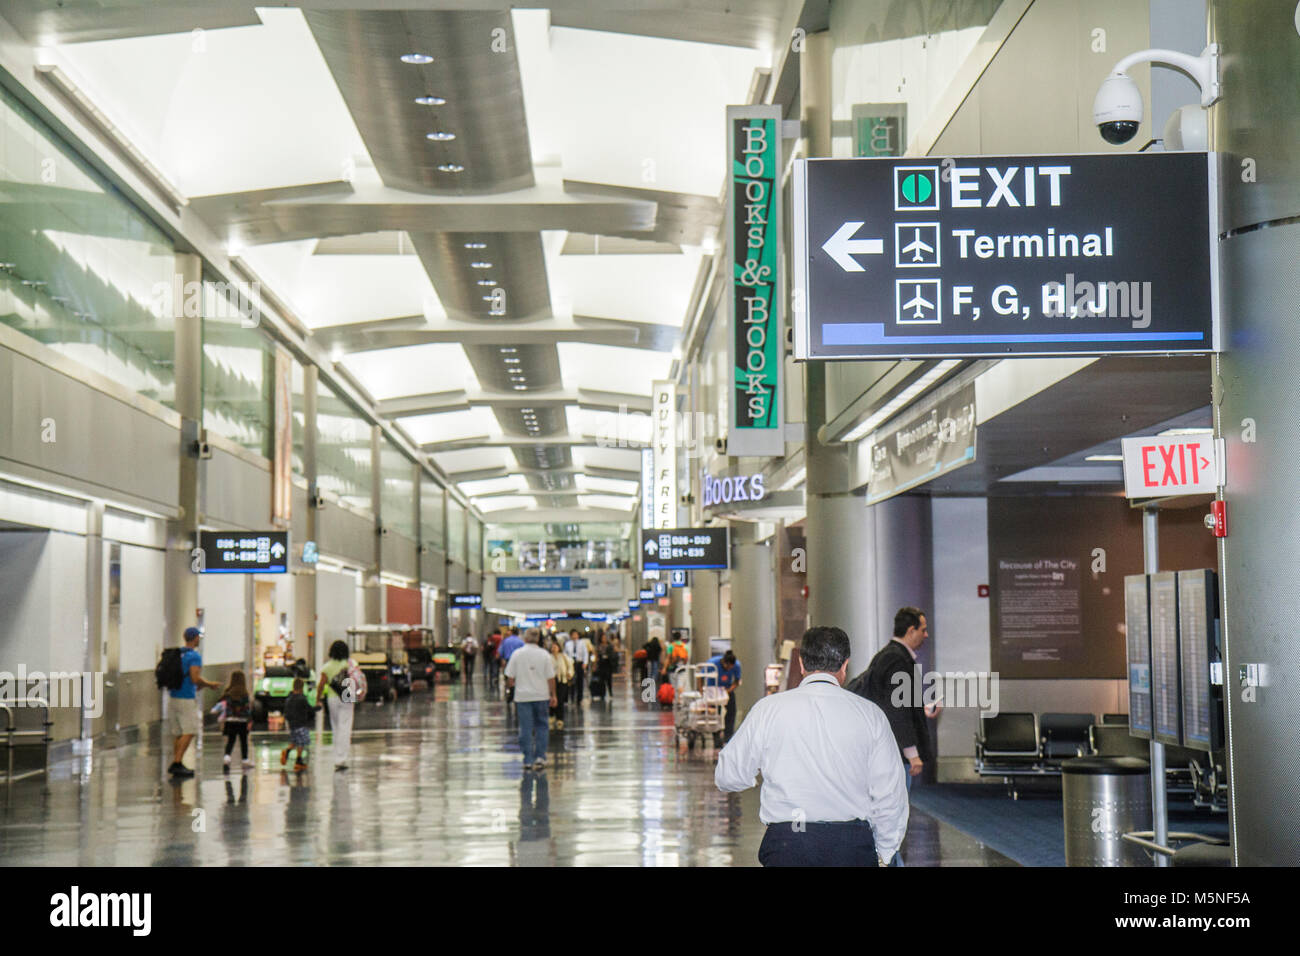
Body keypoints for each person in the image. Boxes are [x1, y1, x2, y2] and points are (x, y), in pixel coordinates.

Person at [715, 625, 908, 867]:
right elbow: (891, 793)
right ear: (845, 665)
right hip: (851, 844)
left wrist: (760, 773)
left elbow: (727, 775)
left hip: (788, 843)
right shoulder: (870, 714)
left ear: (802, 664)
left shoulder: (768, 710)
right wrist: (884, 851)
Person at [846, 607, 942, 790]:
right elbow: (897, 710)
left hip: (885, 748)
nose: (926, 635)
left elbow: (893, 701)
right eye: (923, 629)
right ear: (911, 631)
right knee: (895, 807)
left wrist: (922, 709)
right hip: (895, 752)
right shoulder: (898, 660)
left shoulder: (887, 655)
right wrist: (911, 753)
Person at [168, 626, 220, 778]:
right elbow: (195, 678)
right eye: (198, 637)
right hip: (186, 697)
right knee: (190, 730)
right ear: (195, 638)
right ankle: (177, 763)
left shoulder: (178, 654)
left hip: (173, 696)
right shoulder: (194, 656)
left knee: (178, 733)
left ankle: (177, 762)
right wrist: (210, 685)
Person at [504, 628, 557, 771]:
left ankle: (527, 759)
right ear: (538, 639)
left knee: (525, 728)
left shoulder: (517, 654)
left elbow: (510, 677)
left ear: (525, 639)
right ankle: (540, 757)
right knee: (542, 726)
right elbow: (551, 678)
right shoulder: (544, 655)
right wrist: (553, 695)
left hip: (523, 697)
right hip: (541, 696)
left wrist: (511, 686)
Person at [317, 640, 356, 771]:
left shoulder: (326, 667)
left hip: (332, 698)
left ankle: (337, 758)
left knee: (336, 728)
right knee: (345, 727)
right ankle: (342, 759)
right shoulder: (350, 664)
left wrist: (317, 699)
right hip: (346, 695)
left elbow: (321, 685)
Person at [212, 670, 254, 772]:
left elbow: (221, 704)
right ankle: (245, 760)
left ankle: (227, 757)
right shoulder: (244, 694)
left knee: (231, 740)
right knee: (243, 741)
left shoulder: (228, 694)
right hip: (242, 721)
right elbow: (247, 709)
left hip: (230, 721)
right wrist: (249, 720)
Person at [280, 677, 316, 771]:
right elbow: (309, 710)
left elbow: (286, 713)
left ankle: (287, 752)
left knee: (295, 742)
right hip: (301, 724)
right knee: (302, 742)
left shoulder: (289, 699)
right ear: (302, 687)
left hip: (292, 725)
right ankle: (298, 761)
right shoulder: (302, 699)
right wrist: (317, 708)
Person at [708, 650, 742, 742]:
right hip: (713, 689)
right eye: (727, 667)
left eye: (731, 668)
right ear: (724, 662)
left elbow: (737, 681)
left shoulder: (736, 665)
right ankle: (716, 736)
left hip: (727, 689)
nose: (729, 669)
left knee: (731, 711)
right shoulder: (712, 664)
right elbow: (700, 677)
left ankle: (728, 735)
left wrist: (729, 690)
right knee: (715, 713)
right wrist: (700, 690)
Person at [547, 636, 573, 729]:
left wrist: (569, 674)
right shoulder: (548, 658)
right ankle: (551, 716)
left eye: (555, 646)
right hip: (551, 681)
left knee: (560, 699)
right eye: (552, 647)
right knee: (551, 699)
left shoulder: (564, 657)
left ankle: (560, 718)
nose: (554, 648)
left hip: (562, 680)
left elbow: (570, 666)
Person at [498, 628, 525, 703]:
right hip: (519, 662)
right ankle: (516, 691)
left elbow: (500, 652)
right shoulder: (521, 642)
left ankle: (510, 691)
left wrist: (502, 659)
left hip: (508, 661)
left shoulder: (506, 641)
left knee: (508, 676)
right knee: (517, 678)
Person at [563, 629, 589, 706]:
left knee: (580, 681)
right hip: (571, 664)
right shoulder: (568, 644)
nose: (574, 636)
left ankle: (579, 698)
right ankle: (571, 697)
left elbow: (585, 653)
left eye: (576, 634)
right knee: (571, 681)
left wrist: (585, 663)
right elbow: (565, 654)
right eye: (573, 634)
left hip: (579, 663)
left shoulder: (582, 643)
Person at [594, 633, 616, 703]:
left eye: (605, 638)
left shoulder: (610, 646)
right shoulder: (599, 646)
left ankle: (610, 692)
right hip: (601, 665)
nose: (604, 639)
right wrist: (595, 664)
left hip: (608, 664)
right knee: (601, 680)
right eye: (603, 638)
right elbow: (596, 655)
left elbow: (613, 654)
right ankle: (602, 694)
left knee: (609, 679)